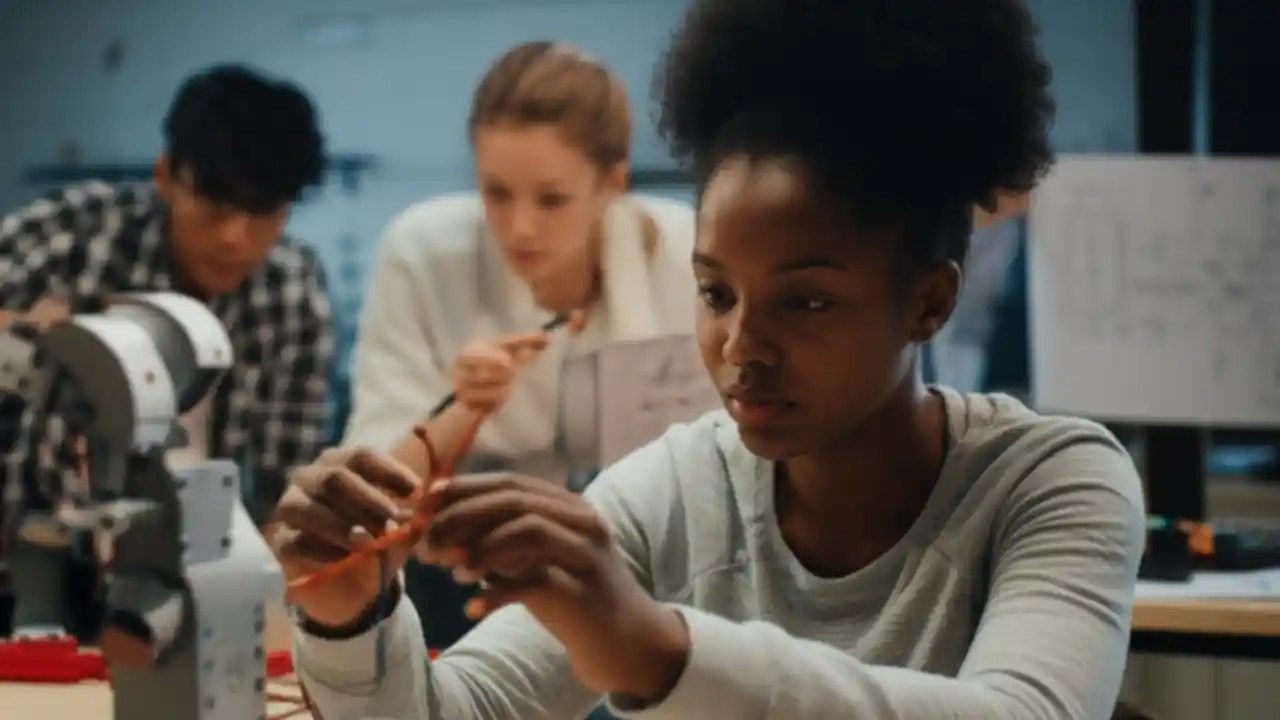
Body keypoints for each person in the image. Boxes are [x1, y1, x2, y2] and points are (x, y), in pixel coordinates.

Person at [272, 1, 1145, 718]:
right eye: (716, 293)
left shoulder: (1052, 481)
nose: (741, 347)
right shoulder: (673, 490)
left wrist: (659, 650)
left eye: (805, 301)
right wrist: (351, 619)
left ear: (928, 301)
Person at [341, 41, 697, 647]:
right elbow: (370, 498)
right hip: (460, 581)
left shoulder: (683, 253)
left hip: (648, 573)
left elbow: (723, 458)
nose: (520, 227)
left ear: (613, 183)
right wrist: (462, 411)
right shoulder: (423, 254)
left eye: (552, 199)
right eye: (495, 193)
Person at [1, 64, 333, 637]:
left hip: (189, 573)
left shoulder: (293, 294)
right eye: (215, 206)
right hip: (29, 548)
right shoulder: (69, 236)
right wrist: (19, 336)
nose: (234, 238)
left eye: (263, 215)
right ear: (166, 176)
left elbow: (286, 484)